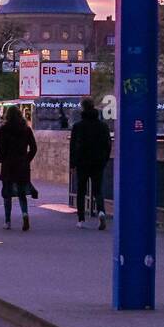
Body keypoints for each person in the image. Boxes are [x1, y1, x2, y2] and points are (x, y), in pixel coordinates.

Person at [70, 96, 112, 229]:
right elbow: (108, 144)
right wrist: (104, 159)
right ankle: (100, 211)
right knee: (97, 189)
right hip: (98, 161)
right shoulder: (103, 126)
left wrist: (73, 164)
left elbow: (73, 146)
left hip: (82, 162)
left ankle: (81, 219)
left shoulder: (78, 126)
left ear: (82, 108)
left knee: (81, 190)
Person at [0, 104, 37, 230]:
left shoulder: (4, 129)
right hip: (22, 164)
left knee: (7, 193)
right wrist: (27, 159)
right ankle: (25, 214)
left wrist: (2, 158)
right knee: (21, 192)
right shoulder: (26, 129)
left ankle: (7, 221)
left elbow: (0, 148)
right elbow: (34, 148)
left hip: (8, 164)